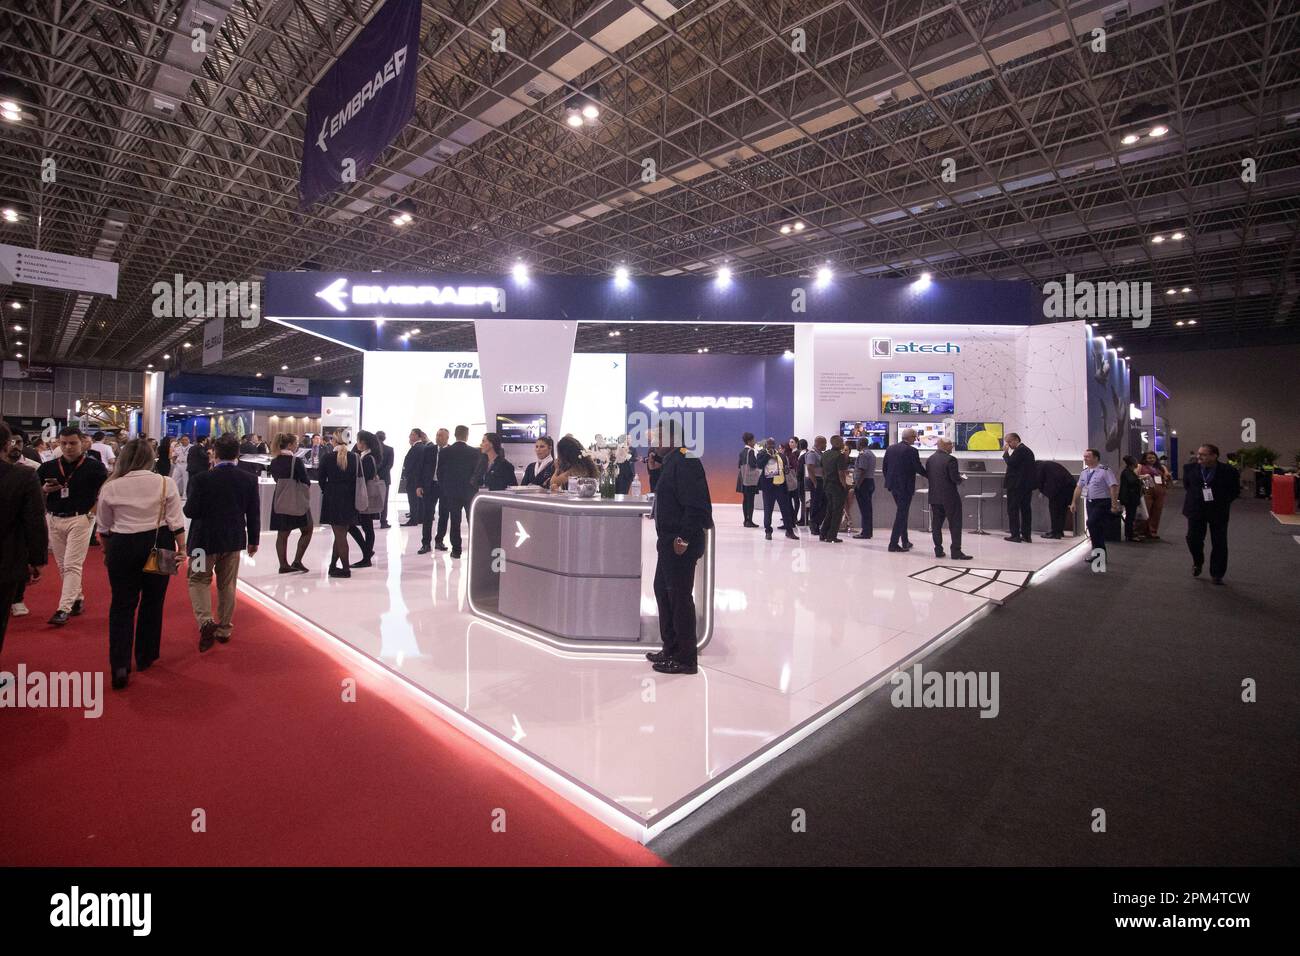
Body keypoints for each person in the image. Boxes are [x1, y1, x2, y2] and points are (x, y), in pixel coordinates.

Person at [96, 439, 187, 690]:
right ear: (152, 457)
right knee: (153, 602)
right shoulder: (165, 482)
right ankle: (146, 656)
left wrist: (107, 549)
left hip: (122, 546)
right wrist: (184, 549)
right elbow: (176, 521)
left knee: (122, 605)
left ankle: (120, 666)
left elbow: (103, 526)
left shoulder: (111, 486)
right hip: (161, 543)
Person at [645, 418, 713, 676]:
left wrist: (683, 538)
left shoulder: (686, 460)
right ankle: (670, 648)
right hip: (668, 542)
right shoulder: (672, 461)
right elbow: (665, 497)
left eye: (658, 437)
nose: (653, 442)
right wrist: (653, 471)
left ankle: (686, 659)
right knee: (663, 591)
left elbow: (697, 505)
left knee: (679, 597)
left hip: (679, 543)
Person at [185, 433, 260, 650]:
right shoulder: (248, 479)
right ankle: (224, 628)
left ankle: (206, 621)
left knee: (198, 580)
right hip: (232, 541)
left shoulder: (201, 479)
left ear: (214, 453)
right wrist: (253, 540)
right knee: (227, 584)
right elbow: (253, 513)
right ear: (237, 454)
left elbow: (190, 511)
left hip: (202, 542)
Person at [36, 427, 107, 625]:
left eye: (73, 443)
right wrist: (44, 489)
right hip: (54, 518)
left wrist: (92, 513)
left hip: (81, 519)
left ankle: (63, 608)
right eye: (64, 443)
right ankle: (77, 598)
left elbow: (107, 491)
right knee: (62, 564)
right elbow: (35, 490)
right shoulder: (48, 467)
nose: (68, 447)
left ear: (82, 442)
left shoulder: (95, 467)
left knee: (72, 564)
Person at [1, 422, 48, 687]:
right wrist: (37, 559)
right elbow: (34, 520)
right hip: (6, 560)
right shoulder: (23, 476)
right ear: (7, 444)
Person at [1182, 443, 1240, 585]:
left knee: (1219, 542)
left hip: (1218, 511)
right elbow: (1187, 486)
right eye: (1198, 453)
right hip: (1196, 509)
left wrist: (1222, 502)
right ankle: (1198, 562)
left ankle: (1217, 573)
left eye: (1203, 454)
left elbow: (1235, 491)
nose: (1199, 456)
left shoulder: (1229, 471)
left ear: (1214, 456)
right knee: (1192, 539)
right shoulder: (1189, 469)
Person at [435, 425, 482, 559]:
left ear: (455, 435)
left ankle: (456, 550)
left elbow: (440, 473)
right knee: (471, 520)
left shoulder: (445, 452)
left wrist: (445, 488)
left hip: (451, 492)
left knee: (455, 521)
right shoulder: (474, 452)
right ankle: (475, 548)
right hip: (469, 492)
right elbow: (477, 473)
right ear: (467, 436)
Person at [269, 433, 313, 573]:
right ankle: (297, 560)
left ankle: (283, 565)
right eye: (296, 443)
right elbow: (306, 481)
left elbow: (276, 479)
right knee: (307, 529)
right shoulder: (296, 461)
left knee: (282, 534)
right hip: (296, 500)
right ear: (289, 445)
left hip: (280, 499)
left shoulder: (274, 461)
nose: (297, 446)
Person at [319, 433, 359, 576]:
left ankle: (346, 569)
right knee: (341, 534)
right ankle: (333, 565)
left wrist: (328, 490)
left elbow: (321, 479)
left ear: (334, 441)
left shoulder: (327, 458)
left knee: (340, 535)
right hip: (350, 498)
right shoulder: (354, 457)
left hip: (333, 498)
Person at [1069, 448, 1120, 560]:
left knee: (1091, 523)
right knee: (1095, 528)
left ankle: (1098, 554)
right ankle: (1098, 555)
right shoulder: (1085, 472)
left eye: (1088, 456)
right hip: (1090, 502)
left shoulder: (1105, 470)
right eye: (1084, 457)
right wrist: (1073, 502)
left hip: (1102, 502)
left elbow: (1113, 487)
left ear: (1096, 458)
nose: (1085, 459)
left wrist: (1114, 504)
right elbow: (1079, 487)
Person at [926, 437, 971, 560]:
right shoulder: (951, 459)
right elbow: (954, 479)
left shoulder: (930, 459)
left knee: (936, 525)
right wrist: (962, 478)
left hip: (934, 497)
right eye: (951, 445)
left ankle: (938, 550)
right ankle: (956, 552)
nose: (952, 447)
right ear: (944, 446)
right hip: (950, 498)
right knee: (955, 525)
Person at [882, 428, 926, 552]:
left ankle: (905, 541)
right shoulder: (911, 451)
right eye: (915, 437)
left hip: (893, 486)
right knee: (901, 514)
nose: (916, 439)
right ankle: (893, 544)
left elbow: (885, 467)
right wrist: (931, 475)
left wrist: (889, 481)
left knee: (903, 512)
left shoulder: (890, 448)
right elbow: (918, 468)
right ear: (910, 437)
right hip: (905, 487)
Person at [348, 430, 381, 568]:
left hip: (365, 496)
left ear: (364, 442)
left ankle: (366, 556)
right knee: (366, 527)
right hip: (364, 495)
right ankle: (367, 553)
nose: (357, 443)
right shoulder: (365, 456)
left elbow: (364, 478)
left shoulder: (368, 458)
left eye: (359, 440)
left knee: (366, 527)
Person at [755, 438, 798, 541]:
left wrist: (786, 469)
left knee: (786, 510)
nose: (771, 446)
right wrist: (768, 455)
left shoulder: (781, 455)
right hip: (769, 488)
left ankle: (789, 531)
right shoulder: (761, 454)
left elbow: (785, 468)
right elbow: (760, 465)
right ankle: (768, 531)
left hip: (781, 487)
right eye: (769, 444)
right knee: (768, 511)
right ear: (766, 445)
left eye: (773, 444)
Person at [417, 428, 448, 553]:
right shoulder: (428, 450)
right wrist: (419, 485)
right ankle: (425, 543)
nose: (437, 437)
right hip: (430, 486)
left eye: (440, 435)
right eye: (437, 435)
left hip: (445, 487)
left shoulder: (450, 451)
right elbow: (421, 468)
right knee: (428, 515)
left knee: (444, 514)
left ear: (447, 438)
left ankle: (439, 541)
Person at [1002, 432, 1036, 543]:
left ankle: (1015, 535)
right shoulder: (1027, 450)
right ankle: (1026, 535)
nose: (1008, 444)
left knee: (1013, 509)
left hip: (1017, 486)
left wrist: (1006, 453)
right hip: (1025, 486)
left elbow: (1011, 463)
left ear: (1016, 439)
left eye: (1009, 442)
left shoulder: (1021, 450)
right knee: (1026, 510)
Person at [819, 435, 849, 543]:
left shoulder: (825, 454)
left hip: (827, 486)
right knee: (837, 511)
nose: (843, 443)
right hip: (837, 486)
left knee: (830, 510)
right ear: (837, 443)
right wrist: (844, 485)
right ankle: (832, 535)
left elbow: (822, 470)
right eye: (842, 441)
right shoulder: (839, 456)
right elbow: (841, 473)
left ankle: (823, 533)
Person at [1036, 459, 1075, 538]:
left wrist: (1042, 491)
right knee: (1062, 511)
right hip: (1069, 487)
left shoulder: (1038, 467)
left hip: (1058, 489)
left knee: (1054, 510)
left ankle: (1055, 533)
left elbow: (1039, 480)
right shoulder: (1047, 464)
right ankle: (1059, 531)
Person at [1137, 450, 1171, 539]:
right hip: (1147, 490)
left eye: (1153, 457)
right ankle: (1141, 531)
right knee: (1145, 512)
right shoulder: (1140, 466)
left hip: (1159, 491)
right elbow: (1135, 476)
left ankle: (1152, 531)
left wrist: (1167, 477)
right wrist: (1144, 476)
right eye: (1149, 458)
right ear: (1145, 459)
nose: (1151, 459)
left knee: (1157, 512)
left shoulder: (1161, 467)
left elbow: (1166, 477)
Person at [400, 429, 428, 526]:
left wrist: (406, 473)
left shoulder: (417, 448)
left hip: (413, 478)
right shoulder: (421, 447)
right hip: (416, 478)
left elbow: (411, 464)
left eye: (412, 434)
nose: (410, 436)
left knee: (413, 499)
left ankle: (414, 519)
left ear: (418, 436)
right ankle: (419, 518)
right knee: (417, 500)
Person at [851, 437, 876, 539]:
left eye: (857, 443)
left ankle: (865, 532)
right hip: (869, 482)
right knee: (867, 509)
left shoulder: (863, 454)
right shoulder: (871, 454)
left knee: (864, 509)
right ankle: (868, 531)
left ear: (860, 444)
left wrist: (858, 484)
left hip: (864, 483)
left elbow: (862, 470)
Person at [1119, 455, 1146, 542]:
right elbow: (1132, 482)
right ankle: (1129, 535)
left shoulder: (1129, 472)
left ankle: (1130, 534)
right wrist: (1140, 480)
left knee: (1131, 516)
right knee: (1130, 517)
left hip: (1130, 497)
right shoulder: (1127, 472)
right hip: (1129, 498)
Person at [736, 433, 760, 528]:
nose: (754, 442)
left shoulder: (742, 452)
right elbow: (753, 465)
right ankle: (749, 520)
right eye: (753, 440)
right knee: (750, 500)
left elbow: (739, 465)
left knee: (745, 499)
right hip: (750, 479)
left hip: (742, 477)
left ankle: (745, 519)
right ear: (749, 441)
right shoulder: (751, 451)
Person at [805, 436, 826, 536]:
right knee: (815, 503)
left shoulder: (819, 453)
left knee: (824, 502)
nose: (825, 445)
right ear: (818, 443)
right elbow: (810, 468)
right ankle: (814, 524)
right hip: (816, 480)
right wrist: (815, 483)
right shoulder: (812, 453)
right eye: (824, 443)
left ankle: (816, 521)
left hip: (821, 480)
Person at [374, 430, 395, 528]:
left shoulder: (372, 449)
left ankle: (371, 518)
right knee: (384, 500)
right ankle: (383, 521)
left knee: (371, 498)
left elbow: (371, 464)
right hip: (385, 479)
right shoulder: (390, 449)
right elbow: (389, 465)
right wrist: (381, 475)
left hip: (372, 478)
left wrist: (375, 474)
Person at [782, 437, 802, 524]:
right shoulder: (789, 454)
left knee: (795, 499)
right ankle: (792, 516)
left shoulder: (797, 453)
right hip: (791, 479)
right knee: (790, 499)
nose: (790, 444)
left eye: (792, 442)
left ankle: (794, 516)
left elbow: (797, 466)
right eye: (790, 442)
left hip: (795, 479)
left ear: (797, 443)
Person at [794, 438, 809, 526]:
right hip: (805, 480)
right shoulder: (806, 453)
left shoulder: (802, 455)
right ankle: (805, 518)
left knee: (803, 500)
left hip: (801, 481)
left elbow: (799, 471)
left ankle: (803, 519)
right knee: (805, 500)